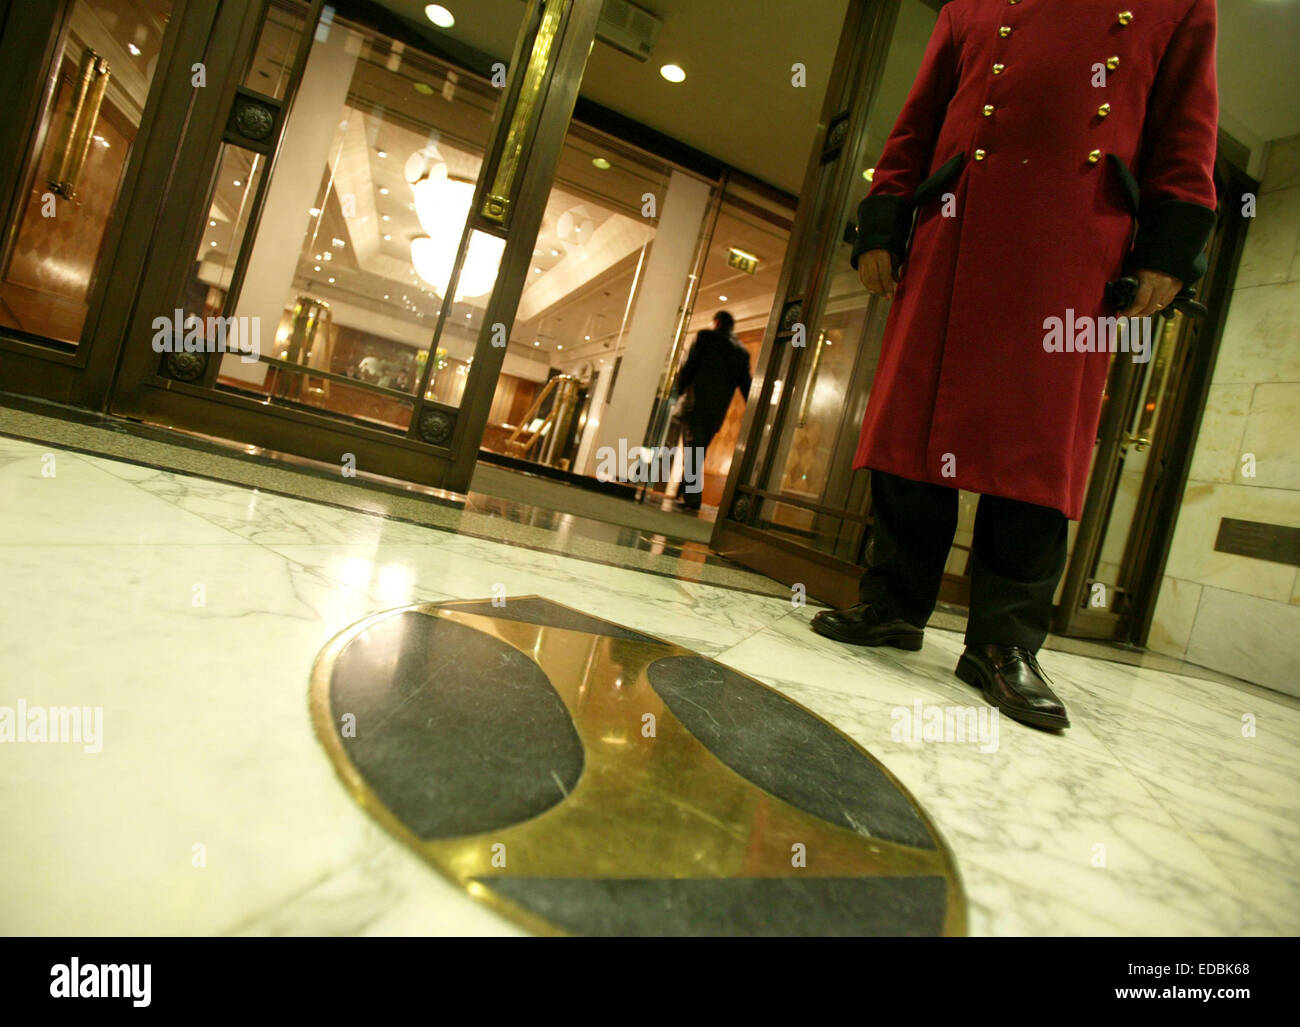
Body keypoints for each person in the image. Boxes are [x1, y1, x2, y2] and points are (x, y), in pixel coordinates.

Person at [811, 0, 1220, 731]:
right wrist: (886, 216)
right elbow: (918, 120)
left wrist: (1168, 246)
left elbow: (1187, 131)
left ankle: (1004, 641)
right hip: (955, 221)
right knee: (914, 418)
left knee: (1040, 441)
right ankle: (893, 603)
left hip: (1075, 235)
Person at [672, 311, 753, 511]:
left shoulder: (705, 337)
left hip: (694, 407)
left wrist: (679, 391)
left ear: (716, 322)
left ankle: (692, 499)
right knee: (697, 452)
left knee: (693, 452)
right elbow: (747, 386)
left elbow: (689, 367)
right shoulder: (741, 352)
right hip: (715, 415)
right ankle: (682, 491)